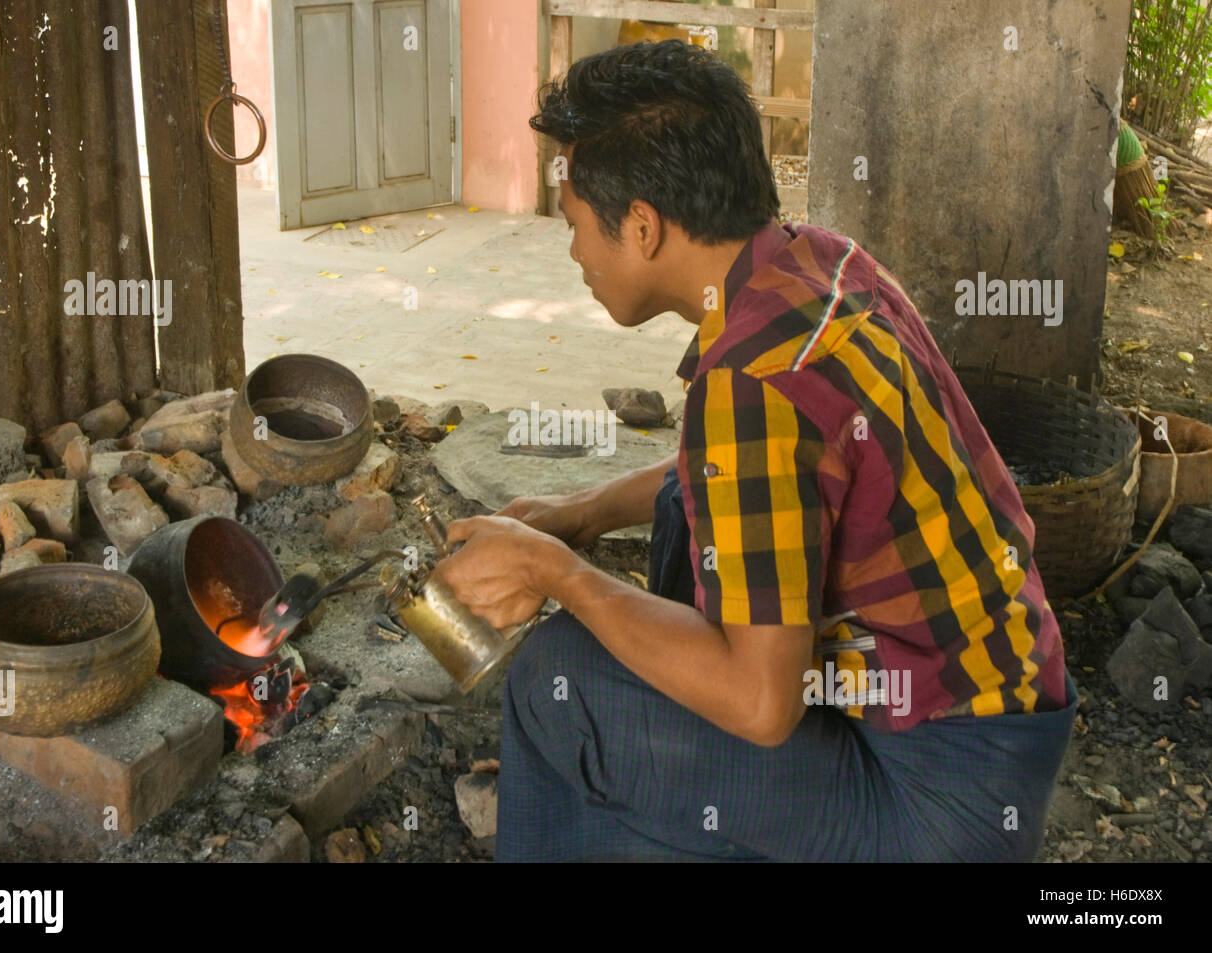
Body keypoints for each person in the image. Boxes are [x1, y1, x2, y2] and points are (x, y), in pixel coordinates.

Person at [432, 39, 1076, 862]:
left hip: (935, 805)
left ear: (642, 225)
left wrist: (560, 575)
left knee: (556, 685)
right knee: (677, 507)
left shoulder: (750, 382)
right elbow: (751, 474)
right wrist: (581, 515)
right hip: (999, 719)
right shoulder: (818, 263)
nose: (574, 255)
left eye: (575, 226)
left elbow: (763, 702)